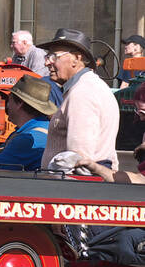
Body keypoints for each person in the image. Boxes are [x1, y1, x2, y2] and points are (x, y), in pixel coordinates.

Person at [40, 28, 120, 172]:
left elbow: (79, 160)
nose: (47, 63)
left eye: (54, 57)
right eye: (47, 57)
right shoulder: (87, 87)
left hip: (74, 188)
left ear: (76, 59)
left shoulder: (82, 93)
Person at [0, 77, 55, 172]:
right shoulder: (45, 127)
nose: (7, 105)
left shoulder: (27, 139)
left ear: (19, 103)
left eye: (9, 99)